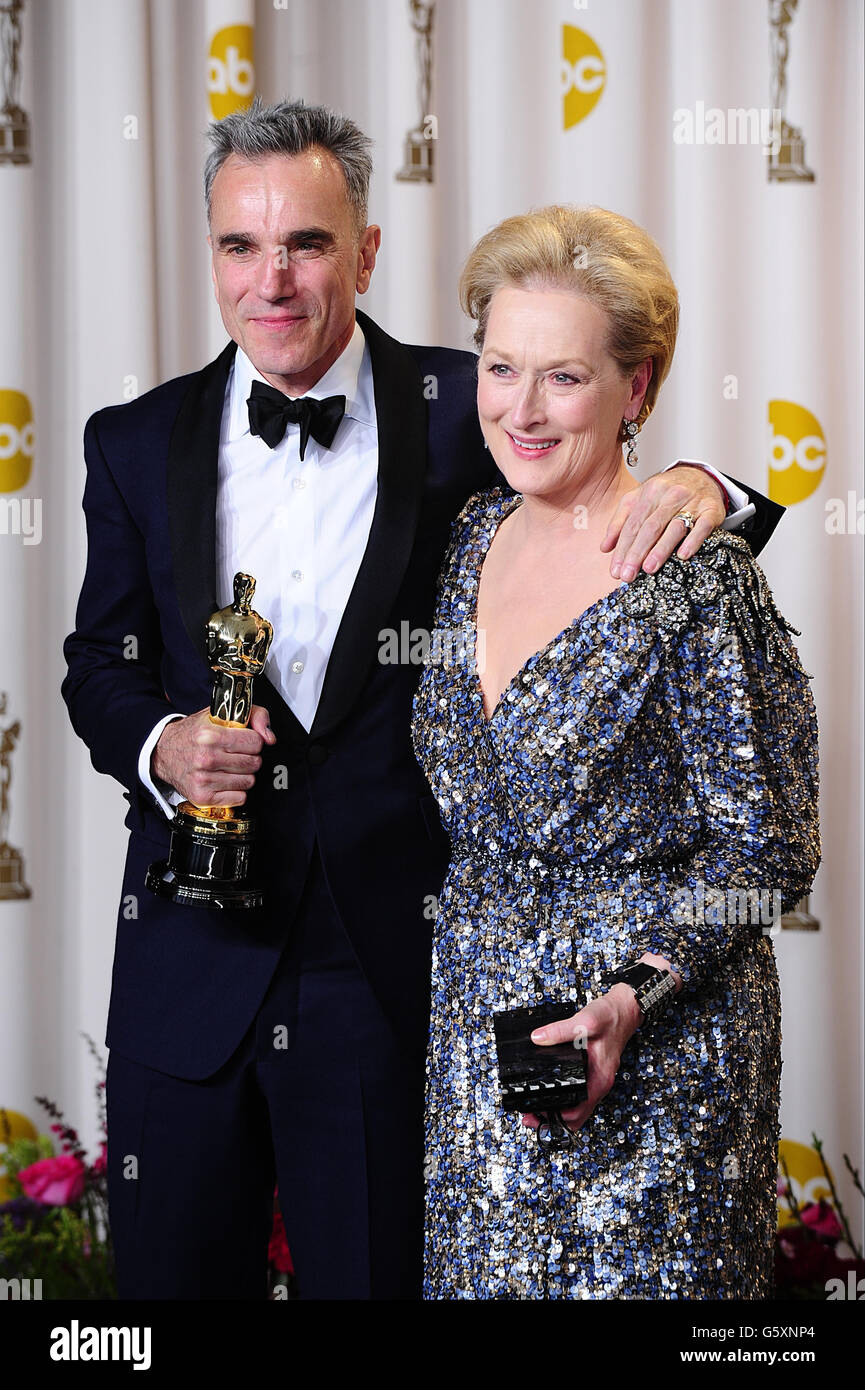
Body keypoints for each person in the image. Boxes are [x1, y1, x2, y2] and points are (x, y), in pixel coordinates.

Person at [62, 99, 784, 1301]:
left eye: (305, 242)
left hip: (387, 964)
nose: (272, 279)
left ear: (367, 251)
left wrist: (721, 486)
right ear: (209, 251)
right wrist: (159, 740)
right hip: (187, 954)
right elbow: (99, 662)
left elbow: (599, 458)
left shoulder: (474, 404)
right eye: (240, 245)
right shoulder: (131, 438)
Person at [411, 204, 820, 1299]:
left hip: (658, 1076)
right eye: (501, 368)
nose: (522, 409)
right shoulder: (464, 541)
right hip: (478, 1063)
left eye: (565, 377)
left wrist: (635, 993)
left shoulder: (698, 578)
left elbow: (770, 850)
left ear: (636, 389)